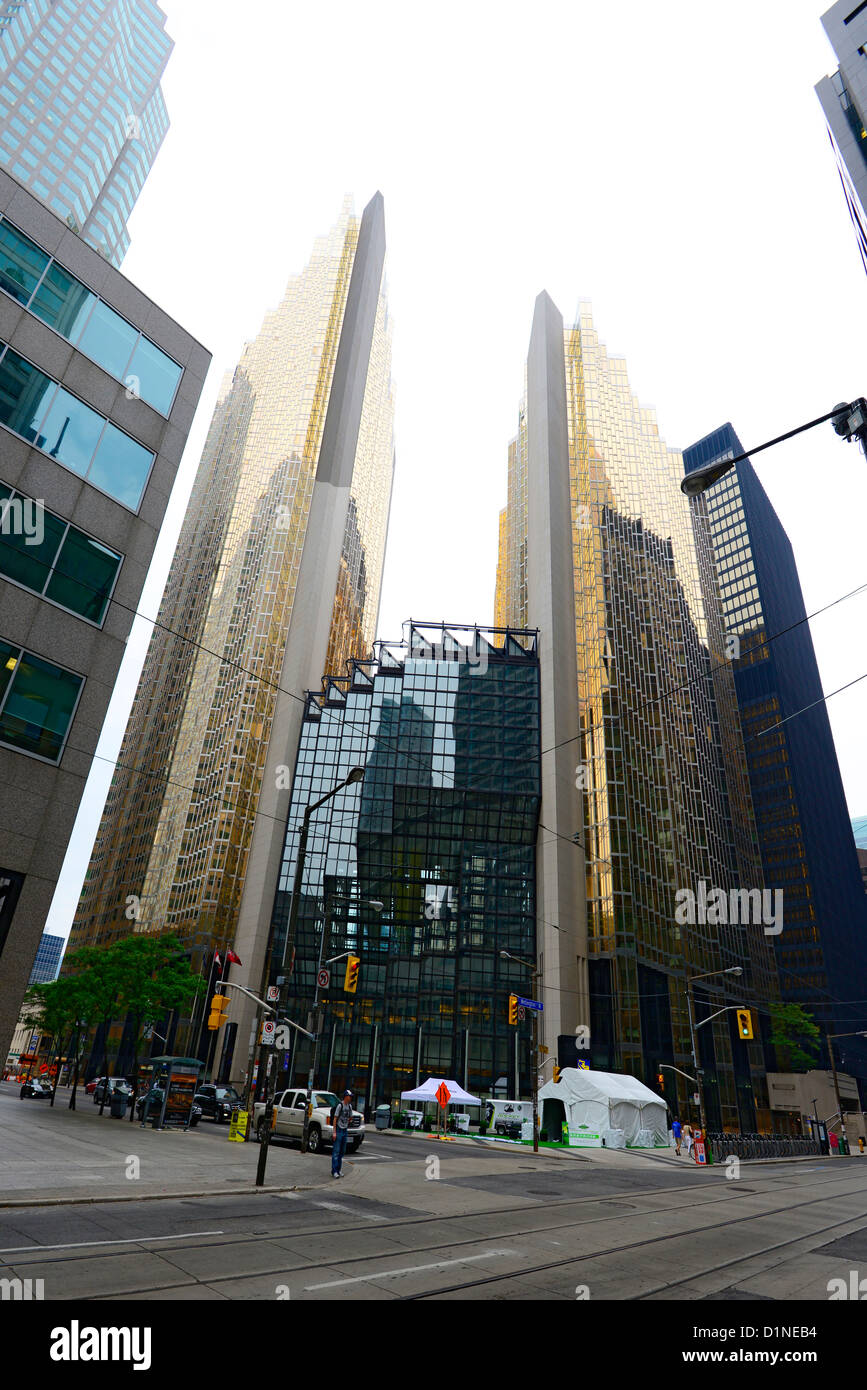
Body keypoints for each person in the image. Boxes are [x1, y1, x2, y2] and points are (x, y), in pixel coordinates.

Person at [331, 1089, 354, 1178]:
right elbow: (335, 1118)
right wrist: (334, 1132)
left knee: (342, 1152)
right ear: (346, 1097)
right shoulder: (340, 1106)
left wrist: (348, 1121)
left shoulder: (349, 1106)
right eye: (349, 1096)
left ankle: (339, 1169)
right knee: (336, 1152)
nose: (351, 1098)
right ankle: (334, 1171)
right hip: (339, 1129)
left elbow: (351, 1117)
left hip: (345, 1130)